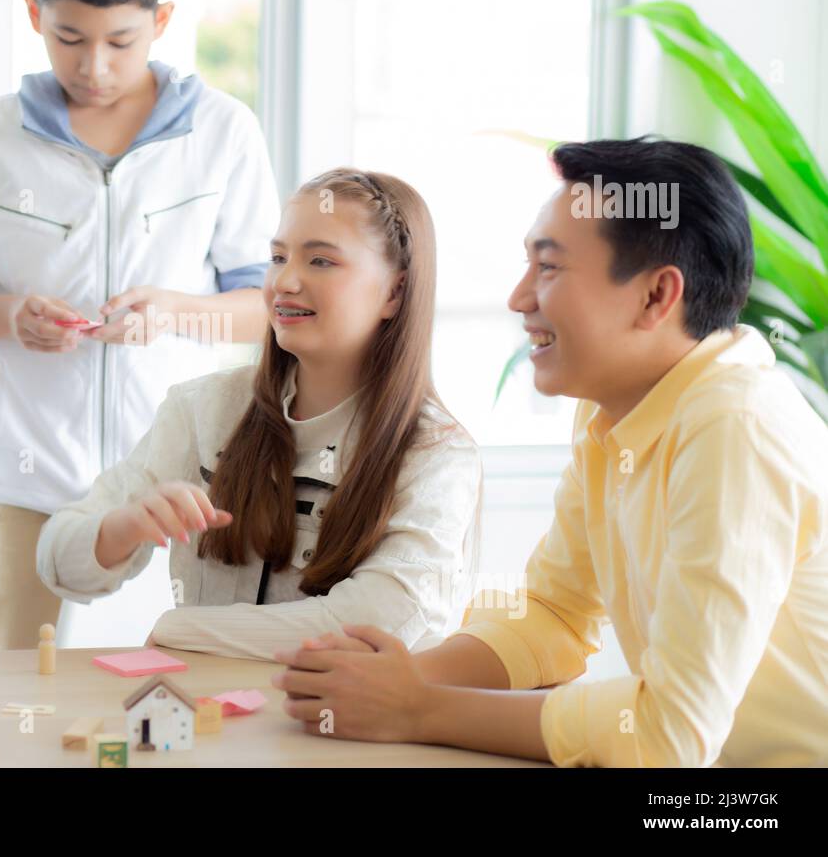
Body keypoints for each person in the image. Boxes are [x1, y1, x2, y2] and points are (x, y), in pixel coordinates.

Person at [272, 138, 828, 766]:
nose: (519, 297)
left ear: (656, 297)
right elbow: (554, 616)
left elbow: (669, 734)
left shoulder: (737, 429)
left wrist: (416, 708)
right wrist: (400, 681)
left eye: (550, 268)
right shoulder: (614, 411)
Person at [0, 0, 279, 649]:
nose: (94, 67)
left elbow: (266, 312)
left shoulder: (224, 132)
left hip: (187, 472)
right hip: (33, 473)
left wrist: (172, 312)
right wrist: (9, 316)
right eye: (68, 38)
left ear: (163, 19)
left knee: (213, 673)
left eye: (121, 42)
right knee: (11, 679)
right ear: (33, 14)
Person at [38, 169, 481, 660]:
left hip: (351, 733)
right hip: (217, 727)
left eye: (320, 260)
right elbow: (57, 562)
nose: (284, 282)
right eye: (277, 258)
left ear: (395, 293)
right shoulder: (201, 410)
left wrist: (179, 631)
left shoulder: (438, 452)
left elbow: (374, 621)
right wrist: (125, 526)